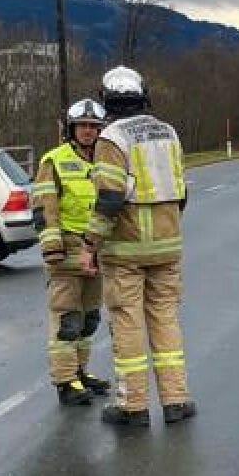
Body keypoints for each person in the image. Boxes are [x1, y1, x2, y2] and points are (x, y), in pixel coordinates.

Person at [90, 66, 195, 429]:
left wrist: (91, 242)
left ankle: (133, 405)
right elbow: (182, 190)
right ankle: (176, 400)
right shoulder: (168, 132)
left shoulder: (111, 138)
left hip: (126, 248)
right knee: (165, 318)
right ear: (143, 96)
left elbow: (109, 197)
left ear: (107, 100)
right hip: (167, 244)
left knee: (127, 322)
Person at [28, 100, 113, 407]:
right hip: (66, 249)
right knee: (68, 319)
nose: (88, 131)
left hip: (96, 249)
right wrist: (52, 248)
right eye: (82, 126)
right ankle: (65, 381)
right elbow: (44, 208)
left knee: (89, 319)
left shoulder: (107, 159)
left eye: (94, 126)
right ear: (72, 129)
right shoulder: (55, 161)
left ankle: (80, 372)